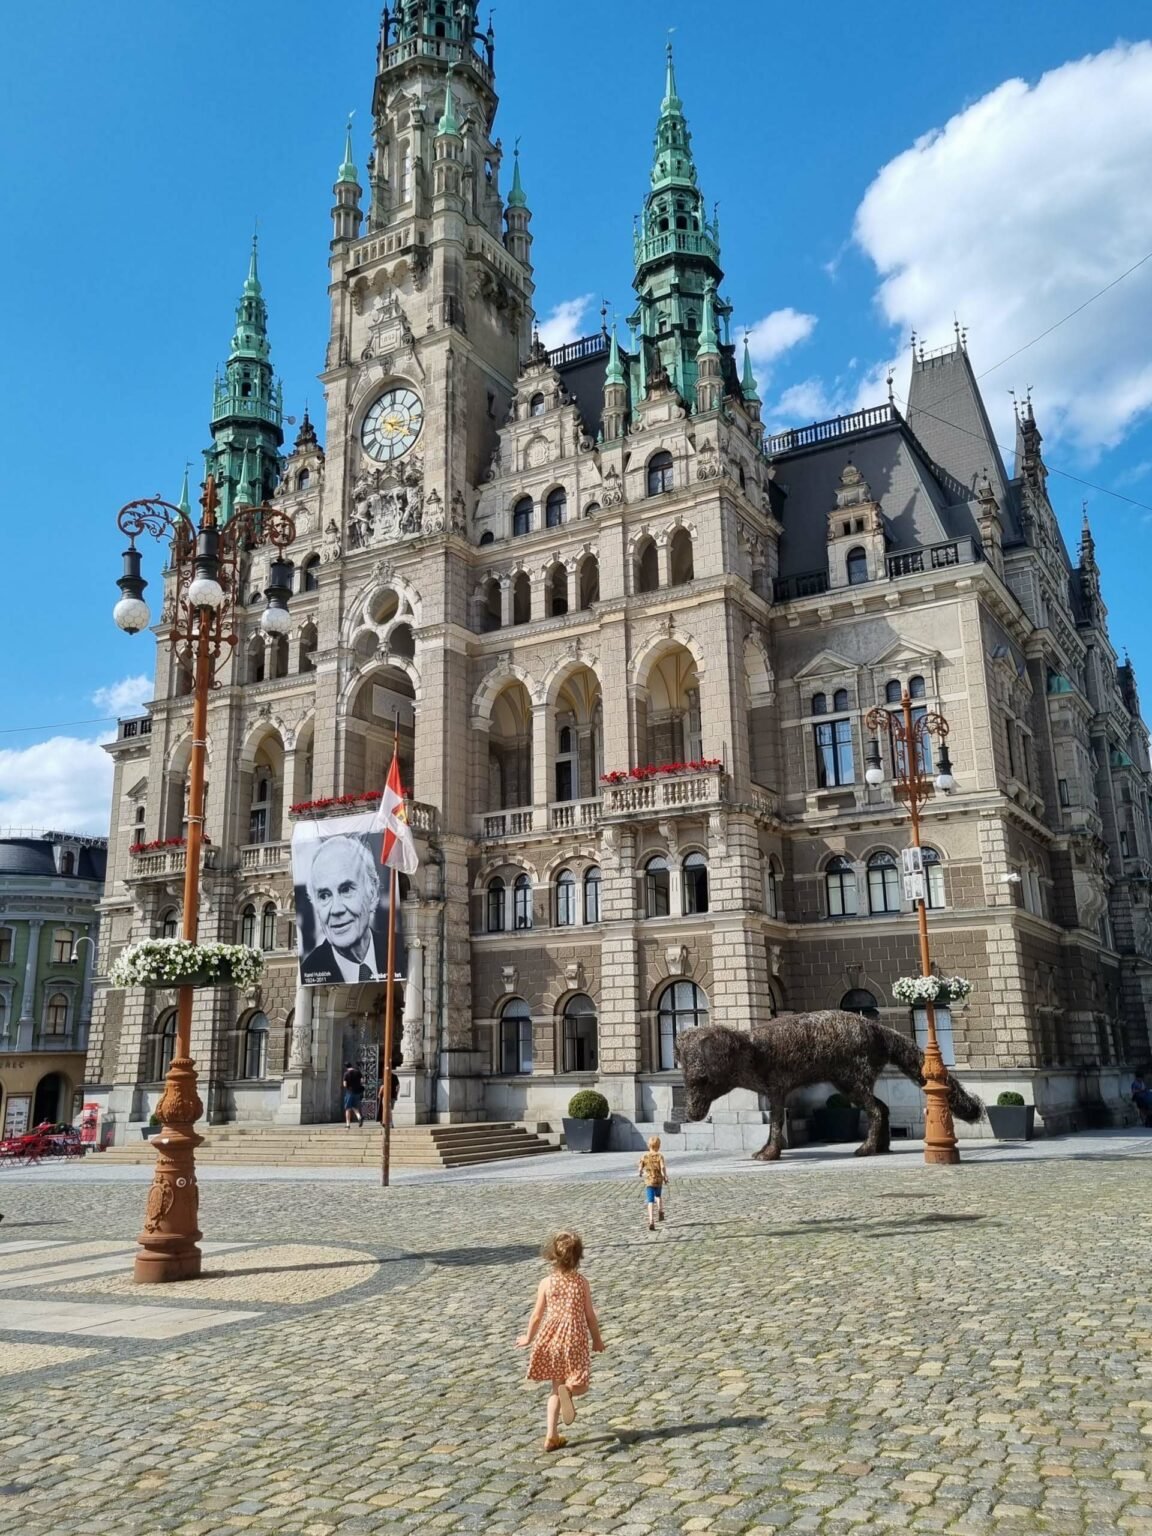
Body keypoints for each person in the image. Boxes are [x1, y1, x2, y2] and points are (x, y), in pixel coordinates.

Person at [517, 1231, 604, 1452]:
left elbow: (536, 1315)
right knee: (580, 1382)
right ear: (578, 1257)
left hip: (551, 1337)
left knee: (555, 1389)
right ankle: (570, 1391)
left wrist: (528, 1337)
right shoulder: (581, 1283)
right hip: (574, 1337)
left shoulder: (546, 1283)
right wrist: (597, 1340)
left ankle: (551, 1436)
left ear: (552, 1255)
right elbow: (590, 1316)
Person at [300, 835, 389, 984]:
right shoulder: (309, 969)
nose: (336, 909)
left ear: (372, 894)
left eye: (346, 889)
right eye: (324, 895)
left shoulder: (398, 950)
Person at [638, 1134, 669, 1232]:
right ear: (658, 1146)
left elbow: (640, 1166)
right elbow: (663, 1167)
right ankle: (660, 1210)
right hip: (658, 1180)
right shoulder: (660, 1156)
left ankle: (651, 1220)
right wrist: (665, 1176)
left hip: (649, 1181)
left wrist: (640, 1172)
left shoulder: (644, 1156)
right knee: (658, 1196)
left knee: (650, 1201)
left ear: (648, 1145)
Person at [342, 1061, 365, 1128]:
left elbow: (344, 1084)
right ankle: (359, 1117)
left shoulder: (346, 1074)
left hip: (349, 1092)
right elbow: (362, 1081)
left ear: (346, 1067)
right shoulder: (358, 1072)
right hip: (357, 1092)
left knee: (347, 1108)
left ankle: (348, 1124)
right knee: (354, 1106)